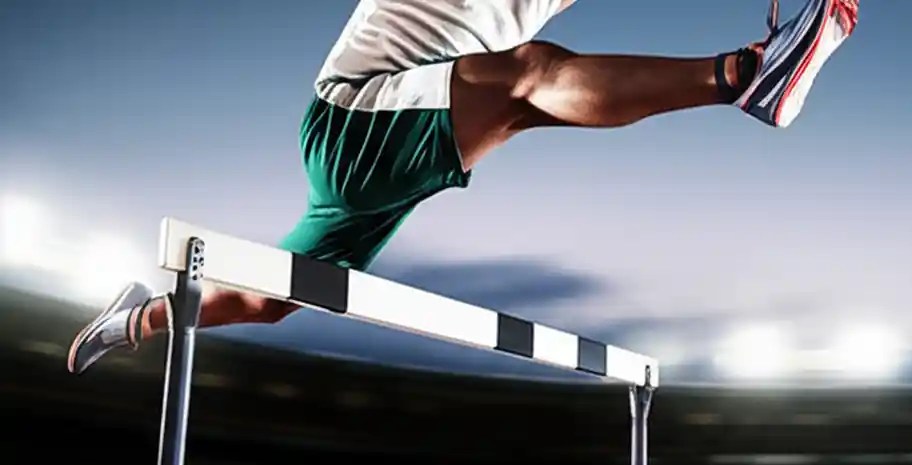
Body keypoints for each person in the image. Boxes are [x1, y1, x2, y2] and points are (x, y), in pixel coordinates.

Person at [67, 0, 861, 374]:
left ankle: (131, 319)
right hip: (354, 116)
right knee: (529, 80)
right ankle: (745, 77)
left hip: (374, 141)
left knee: (274, 297)